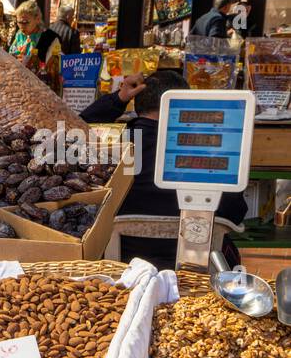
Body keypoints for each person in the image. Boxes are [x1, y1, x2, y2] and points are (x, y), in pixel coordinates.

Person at [82, 70, 247, 268]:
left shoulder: (114, 144)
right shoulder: (210, 151)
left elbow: (73, 129)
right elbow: (235, 213)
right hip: (199, 270)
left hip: (121, 266)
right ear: (185, 104)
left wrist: (118, 99)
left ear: (137, 103)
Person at [10, 0, 62, 75]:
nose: (21, 26)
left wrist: (29, 62)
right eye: (19, 22)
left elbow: (53, 67)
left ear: (37, 19)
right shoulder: (18, 35)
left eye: (25, 22)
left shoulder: (50, 38)